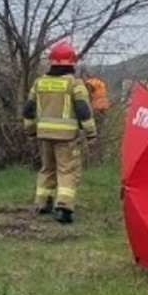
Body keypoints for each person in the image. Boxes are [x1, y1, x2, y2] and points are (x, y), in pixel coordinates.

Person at [23, 41, 98, 225]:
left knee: (47, 169)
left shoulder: (39, 83)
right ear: (71, 62)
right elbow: (83, 111)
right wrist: (91, 133)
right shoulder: (75, 84)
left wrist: (30, 130)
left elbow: (28, 109)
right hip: (67, 138)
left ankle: (42, 204)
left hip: (44, 135)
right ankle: (63, 208)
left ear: (52, 62)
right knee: (68, 170)